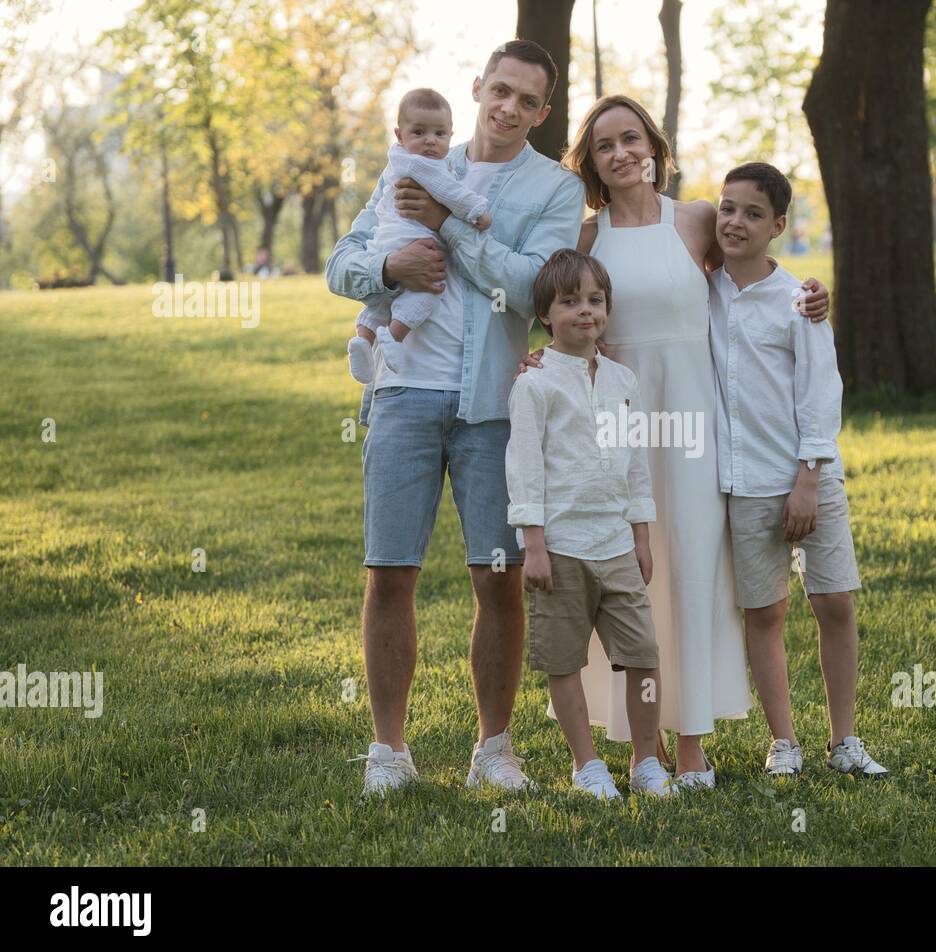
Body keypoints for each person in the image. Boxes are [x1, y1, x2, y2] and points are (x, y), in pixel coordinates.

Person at [520, 94, 830, 789]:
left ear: (654, 146)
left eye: (632, 138)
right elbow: (566, 312)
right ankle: (642, 747)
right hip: (619, 431)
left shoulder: (693, 220)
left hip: (694, 428)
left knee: (693, 576)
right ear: (592, 162)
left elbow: (757, 275)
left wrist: (807, 299)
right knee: (631, 583)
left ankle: (693, 744)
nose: (622, 152)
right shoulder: (588, 239)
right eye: (605, 145)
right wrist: (536, 358)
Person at [325, 40, 585, 797]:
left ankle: (494, 749)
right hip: (402, 394)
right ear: (477, 86)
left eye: (526, 101)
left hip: (494, 405)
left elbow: (536, 284)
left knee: (497, 578)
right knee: (389, 572)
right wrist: (388, 269)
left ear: (542, 113)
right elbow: (345, 258)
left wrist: (447, 224)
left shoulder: (553, 189)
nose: (507, 108)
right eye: (498, 90)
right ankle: (388, 752)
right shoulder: (417, 149)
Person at [709, 162, 887, 780]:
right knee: (765, 613)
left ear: (778, 225)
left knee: (833, 600)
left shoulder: (798, 302)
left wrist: (809, 476)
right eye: (727, 207)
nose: (735, 221)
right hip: (743, 484)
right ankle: (784, 740)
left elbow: (819, 391)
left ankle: (845, 740)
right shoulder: (702, 292)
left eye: (753, 213)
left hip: (807, 477)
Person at [506, 249, 677, 799]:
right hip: (560, 548)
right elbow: (525, 467)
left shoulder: (622, 379)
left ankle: (645, 761)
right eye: (570, 301)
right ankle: (587, 765)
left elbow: (634, 461)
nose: (586, 311)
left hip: (615, 544)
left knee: (643, 658)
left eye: (595, 300)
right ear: (545, 315)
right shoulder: (534, 384)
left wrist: (641, 533)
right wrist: (533, 544)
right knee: (564, 662)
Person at [346, 88, 492, 385]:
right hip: (410, 242)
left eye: (439, 134)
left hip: (383, 245)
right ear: (400, 135)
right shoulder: (425, 166)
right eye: (419, 132)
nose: (430, 141)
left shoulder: (397, 161)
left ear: (452, 134)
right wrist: (478, 212)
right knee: (427, 292)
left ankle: (363, 339)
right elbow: (453, 194)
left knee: (379, 303)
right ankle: (393, 338)